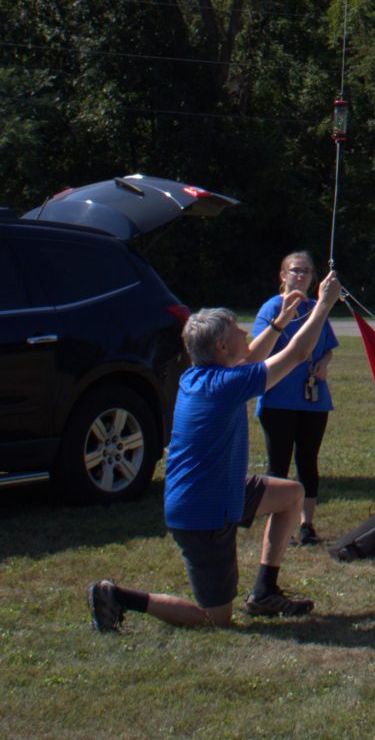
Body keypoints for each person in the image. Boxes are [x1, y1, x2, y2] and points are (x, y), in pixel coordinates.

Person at [87, 269, 342, 632]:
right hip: (202, 513)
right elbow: (299, 353)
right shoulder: (225, 385)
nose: (244, 333)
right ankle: (116, 595)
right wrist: (324, 306)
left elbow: (252, 355)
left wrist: (282, 318)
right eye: (237, 331)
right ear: (221, 348)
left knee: (291, 495)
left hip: (224, 491)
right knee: (215, 620)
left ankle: (265, 593)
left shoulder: (199, 375)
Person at [248, 249, 339, 545]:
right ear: (283, 276)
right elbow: (259, 352)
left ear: (314, 278)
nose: (300, 276)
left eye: (306, 272)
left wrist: (325, 361)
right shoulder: (272, 308)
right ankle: (278, 527)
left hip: (313, 400)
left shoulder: (317, 308)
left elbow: (327, 346)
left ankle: (306, 525)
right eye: (295, 271)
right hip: (278, 399)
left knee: (308, 461)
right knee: (279, 465)